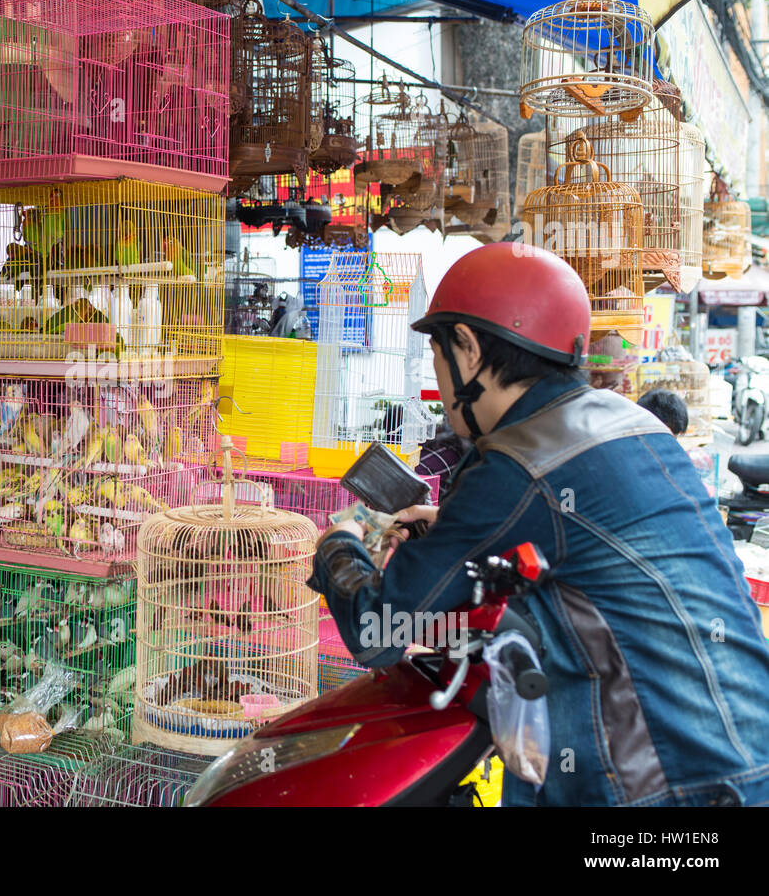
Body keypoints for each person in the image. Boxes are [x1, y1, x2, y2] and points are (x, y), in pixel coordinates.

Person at [308, 242, 769, 807]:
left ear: (468, 350)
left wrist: (339, 542)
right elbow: (591, 556)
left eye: (436, 357)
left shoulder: (516, 463)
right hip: (744, 754)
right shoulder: (633, 423)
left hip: (664, 787)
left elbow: (379, 632)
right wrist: (456, 531)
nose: (441, 384)